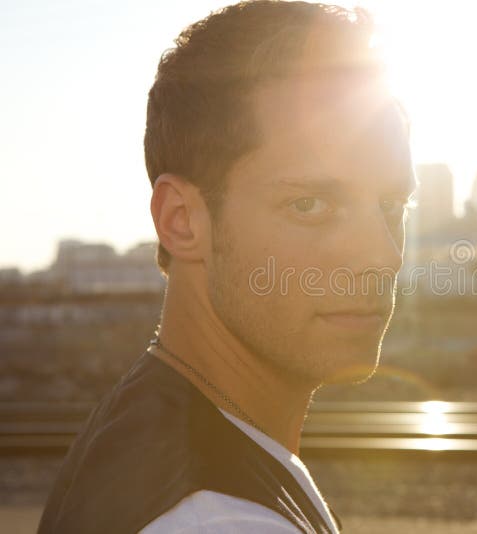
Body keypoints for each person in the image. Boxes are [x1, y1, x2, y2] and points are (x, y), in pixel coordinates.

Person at [37, 1, 415, 532]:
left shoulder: (150, 421)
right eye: (310, 205)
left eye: (392, 207)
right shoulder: (219, 520)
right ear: (182, 221)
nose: (382, 254)